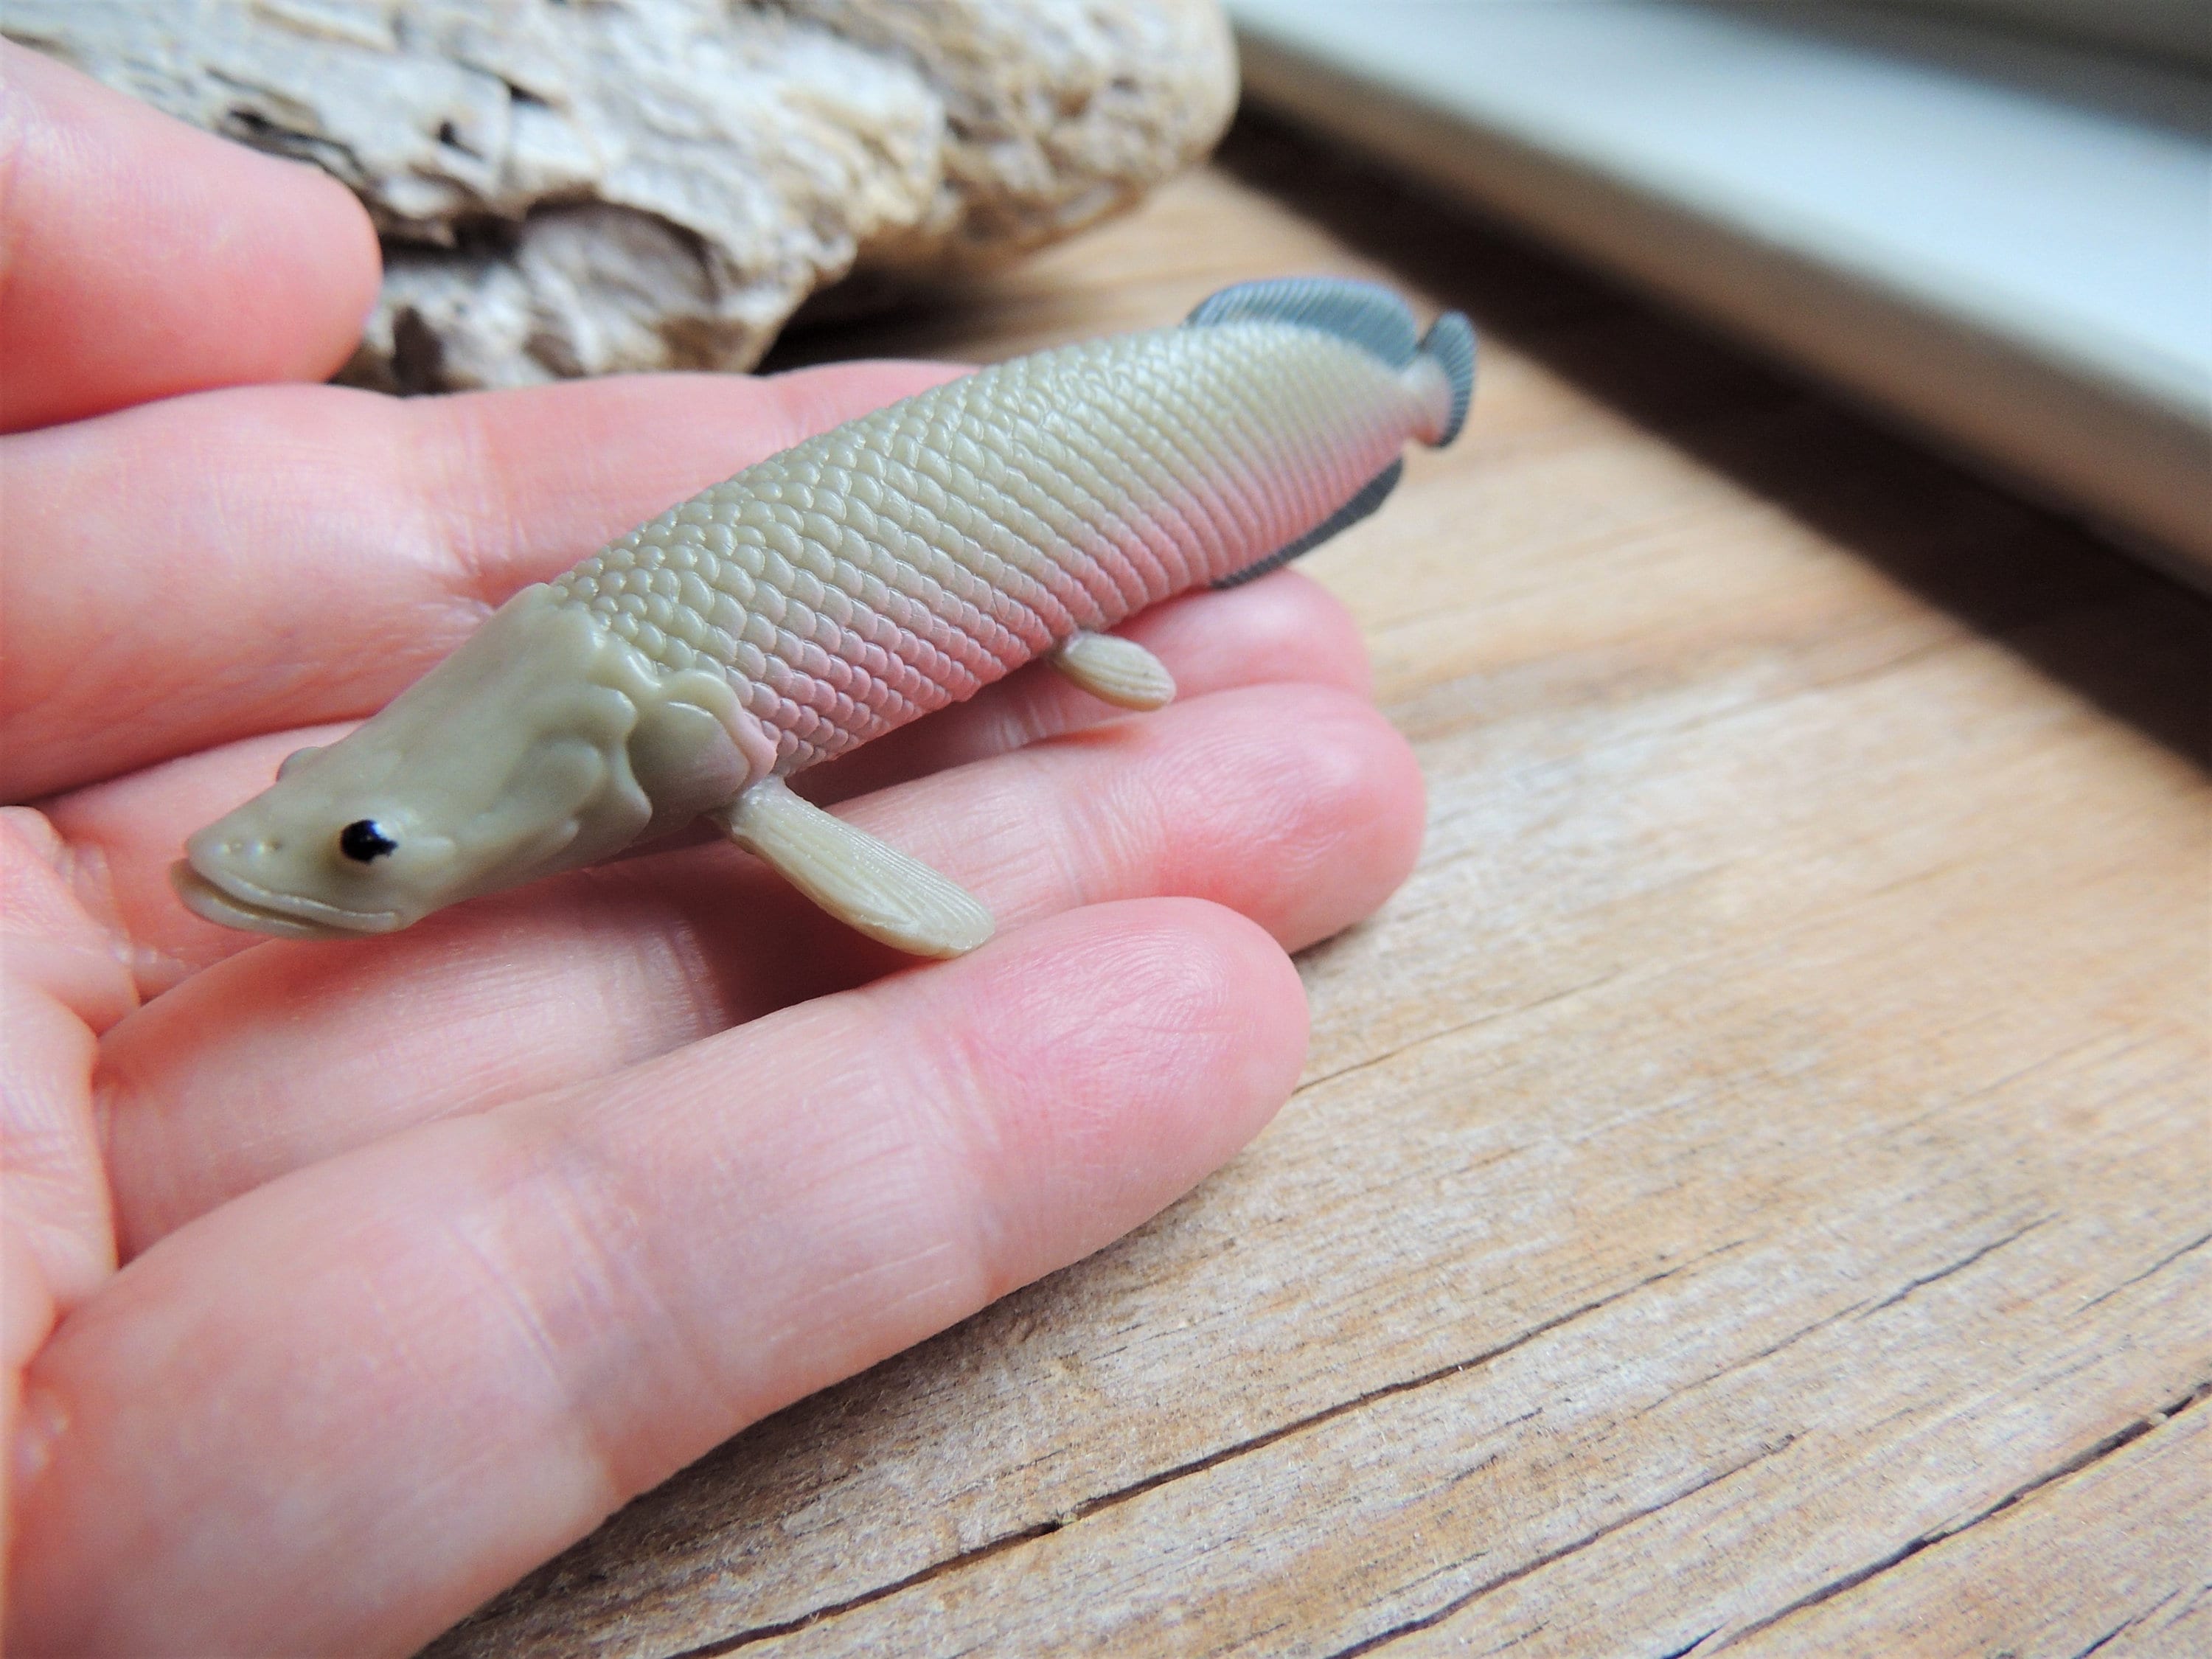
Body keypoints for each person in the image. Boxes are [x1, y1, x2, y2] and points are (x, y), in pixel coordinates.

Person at [0, 44, 1423, 1654]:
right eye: (354, 824)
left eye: (372, 842)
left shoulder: (661, 731)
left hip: (1238, 414)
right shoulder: (587, 706)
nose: (313, 860)